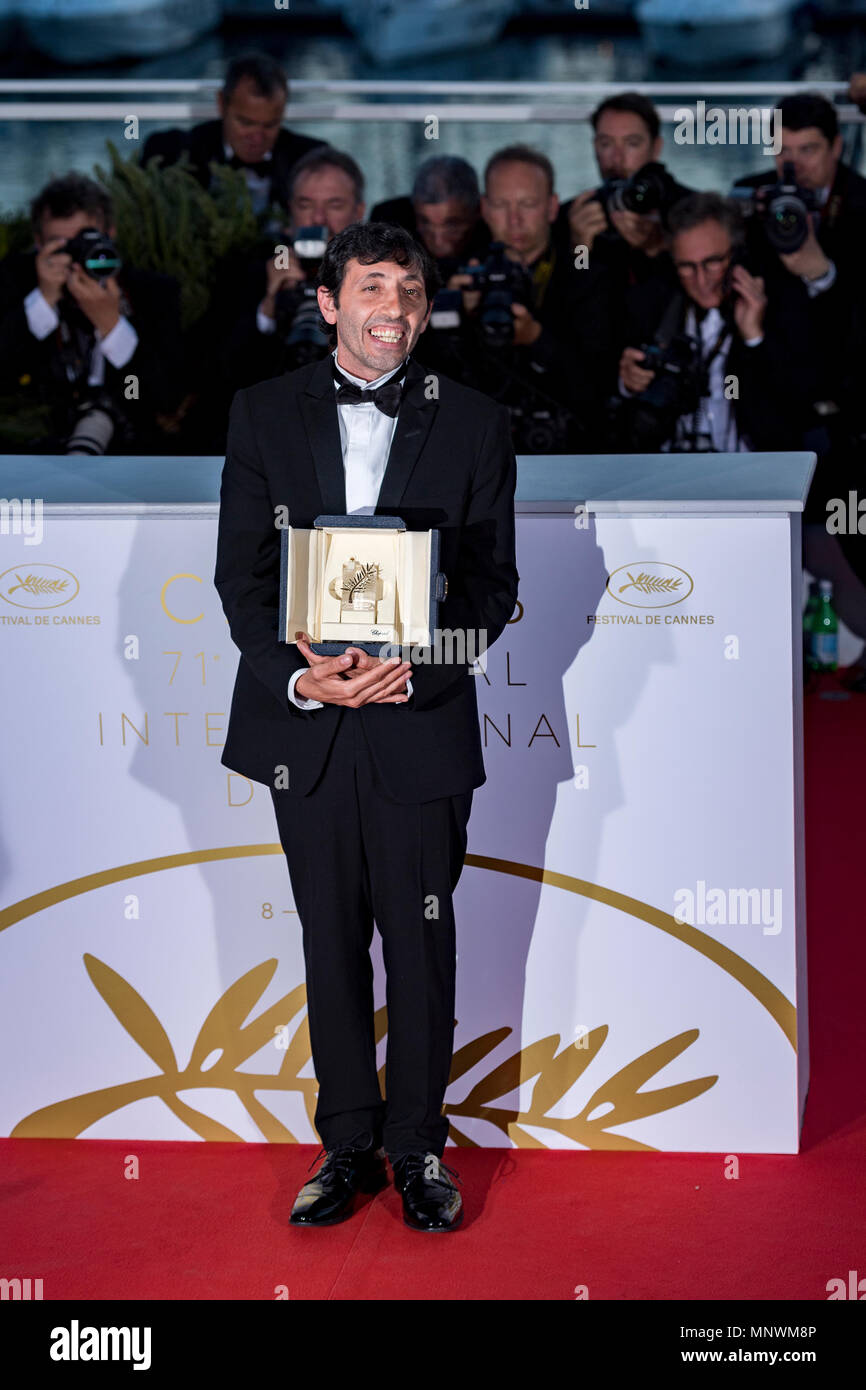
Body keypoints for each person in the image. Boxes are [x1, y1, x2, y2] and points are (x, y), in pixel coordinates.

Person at [214, 222, 518, 1232]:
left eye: (412, 291)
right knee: (329, 935)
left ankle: (420, 1145)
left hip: (414, 721)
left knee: (420, 941)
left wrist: (413, 670)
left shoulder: (473, 420)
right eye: (372, 286)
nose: (394, 308)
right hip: (306, 728)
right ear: (330, 300)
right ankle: (346, 1140)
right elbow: (241, 581)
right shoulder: (262, 413)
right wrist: (304, 684)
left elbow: (491, 586)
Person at [437, 143, 614, 451]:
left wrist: (537, 340)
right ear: (485, 209)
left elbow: (600, 393)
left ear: (552, 207)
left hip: (568, 451)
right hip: (476, 452)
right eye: (502, 205)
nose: (514, 219)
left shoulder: (588, 278)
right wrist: (454, 318)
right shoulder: (458, 277)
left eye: (527, 204)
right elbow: (430, 390)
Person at [614, 192, 822, 453]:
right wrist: (628, 383)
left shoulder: (779, 299)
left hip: (755, 472)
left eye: (712, 263)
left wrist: (754, 338)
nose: (701, 281)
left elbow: (799, 403)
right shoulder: (651, 303)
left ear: (737, 254)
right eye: (687, 267)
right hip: (670, 469)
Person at [0, 173, 183, 454]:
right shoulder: (15, 278)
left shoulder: (154, 291)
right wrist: (44, 300)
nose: (76, 258)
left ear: (110, 234)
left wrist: (111, 324)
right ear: (38, 243)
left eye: (87, 240)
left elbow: (166, 396)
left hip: (128, 452)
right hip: (32, 447)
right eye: (60, 245)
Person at [218, 146, 367, 394]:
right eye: (306, 205)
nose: (319, 219)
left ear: (359, 212)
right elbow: (225, 376)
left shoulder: (382, 276)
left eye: (334, 205)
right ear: (291, 211)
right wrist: (270, 305)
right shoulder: (255, 271)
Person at [141, 51, 325, 216]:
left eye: (270, 125)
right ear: (221, 104)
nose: (257, 138)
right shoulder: (173, 152)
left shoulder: (311, 158)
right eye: (246, 123)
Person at [554, 92, 691, 303]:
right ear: (594, 148)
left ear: (656, 148)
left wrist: (657, 249)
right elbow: (570, 301)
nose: (617, 158)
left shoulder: (690, 211)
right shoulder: (576, 215)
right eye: (606, 144)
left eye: (632, 143)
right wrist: (581, 247)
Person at [734, 92, 866, 305]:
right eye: (783, 150)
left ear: (836, 148)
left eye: (807, 150)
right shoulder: (750, 192)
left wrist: (822, 274)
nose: (794, 165)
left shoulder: (861, 200)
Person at [370, 154, 490, 277]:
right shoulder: (390, 224)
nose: (438, 242)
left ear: (478, 211)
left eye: (452, 226)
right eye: (425, 223)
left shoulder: (495, 233)